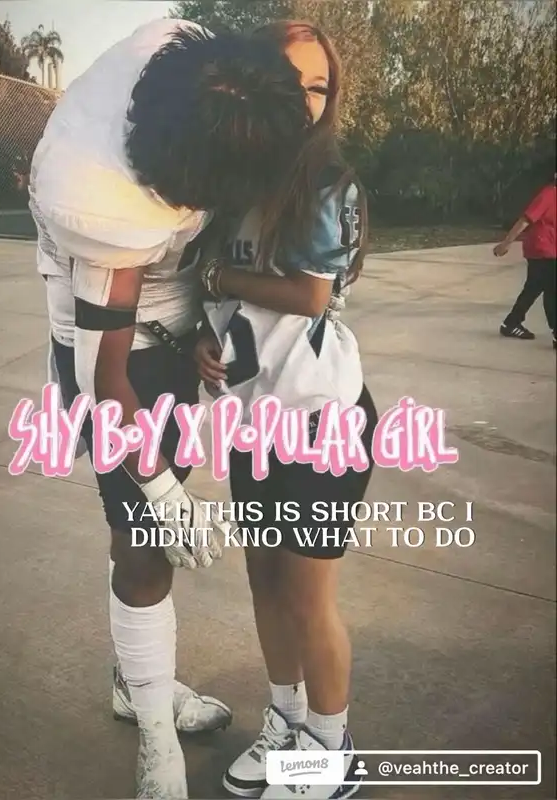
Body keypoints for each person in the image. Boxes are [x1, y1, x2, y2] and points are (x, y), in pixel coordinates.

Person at [29, 18, 312, 799]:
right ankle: (154, 734)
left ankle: (136, 683)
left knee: (147, 532)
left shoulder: (207, 74)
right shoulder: (97, 198)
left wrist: (207, 323)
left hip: (175, 322)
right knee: (146, 538)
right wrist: (159, 490)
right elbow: (106, 381)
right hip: (116, 351)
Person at [194, 21, 377, 800]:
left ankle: (330, 751)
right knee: (264, 580)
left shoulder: (328, 180)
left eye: (318, 86)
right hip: (255, 422)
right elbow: (215, 296)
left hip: (323, 421)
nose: (304, 101)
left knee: (306, 595)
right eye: (288, 82)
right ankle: (286, 724)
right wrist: (205, 340)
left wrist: (219, 282)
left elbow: (309, 294)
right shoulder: (227, 182)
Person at [495, 170, 556, 349]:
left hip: (550, 249)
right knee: (552, 289)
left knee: (534, 287)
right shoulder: (548, 194)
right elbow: (525, 220)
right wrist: (506, 243)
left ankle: (511, 323)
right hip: (541, 248)